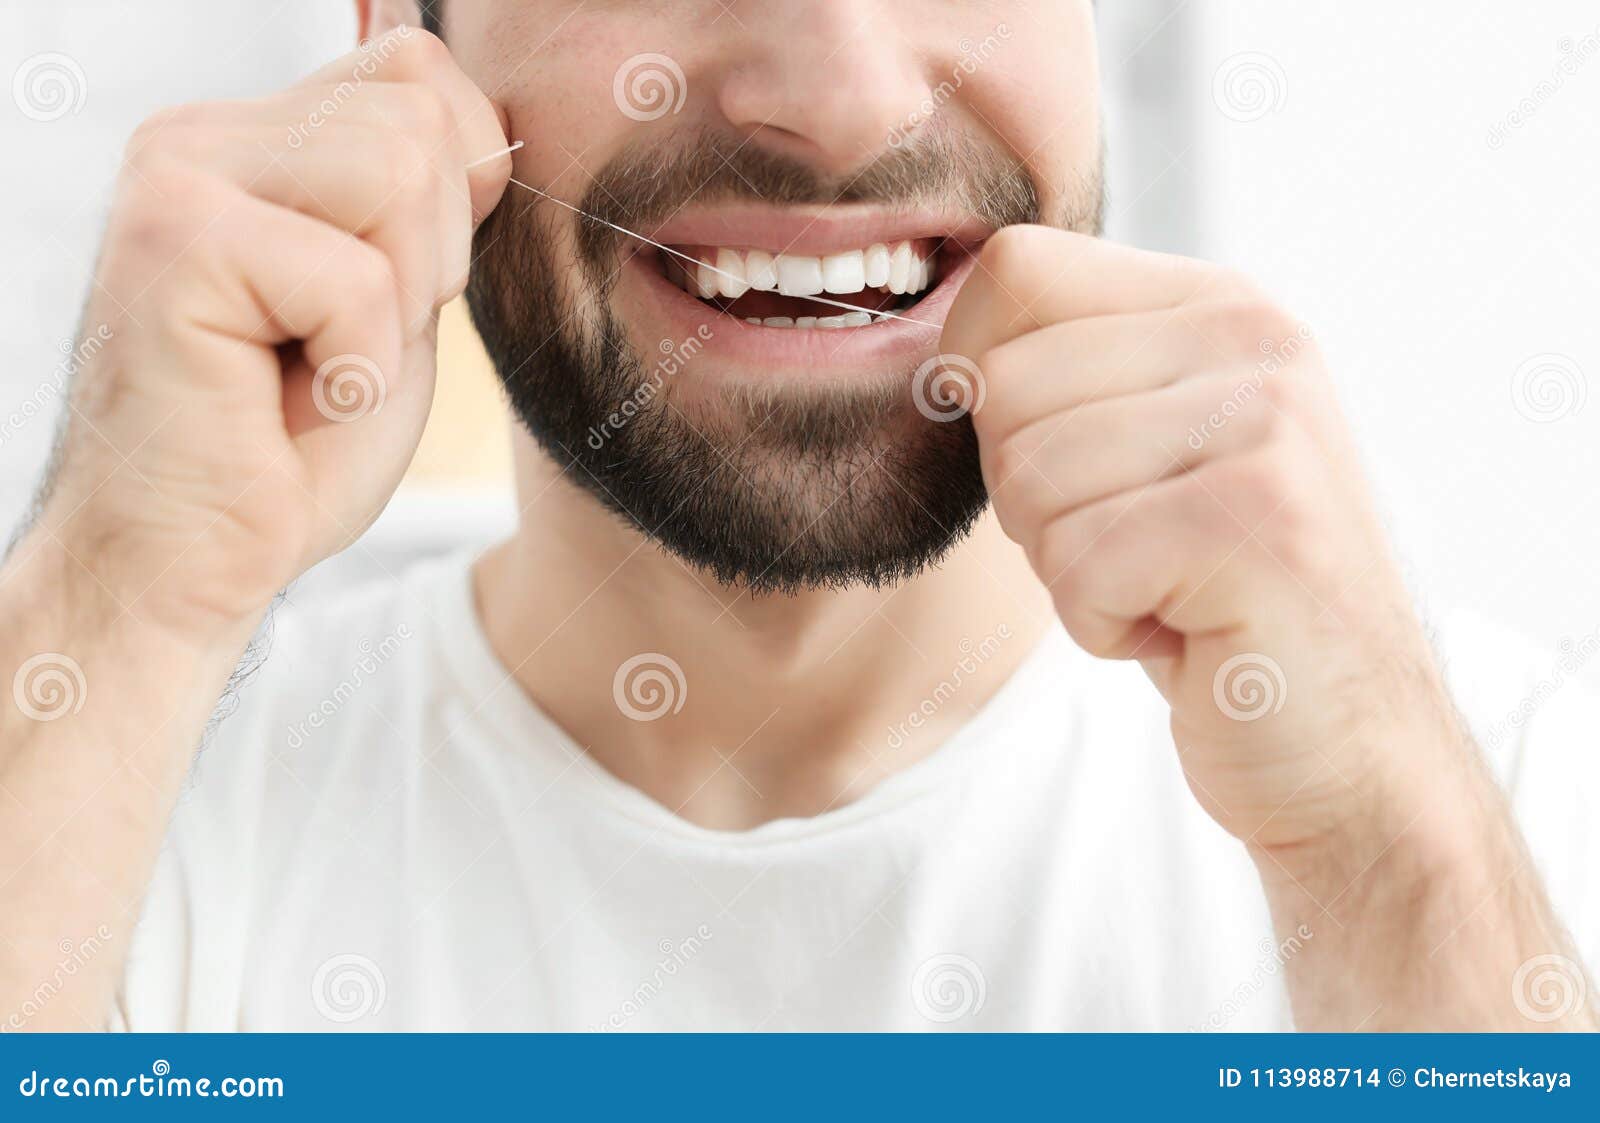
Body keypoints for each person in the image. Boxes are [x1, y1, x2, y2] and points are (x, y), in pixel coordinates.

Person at [1, 0, 1594, 1031]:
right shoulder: (124, 826)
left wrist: (1388, 854)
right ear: (395, 39)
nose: (841, 100)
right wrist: (114, 601)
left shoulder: (1506, 816)